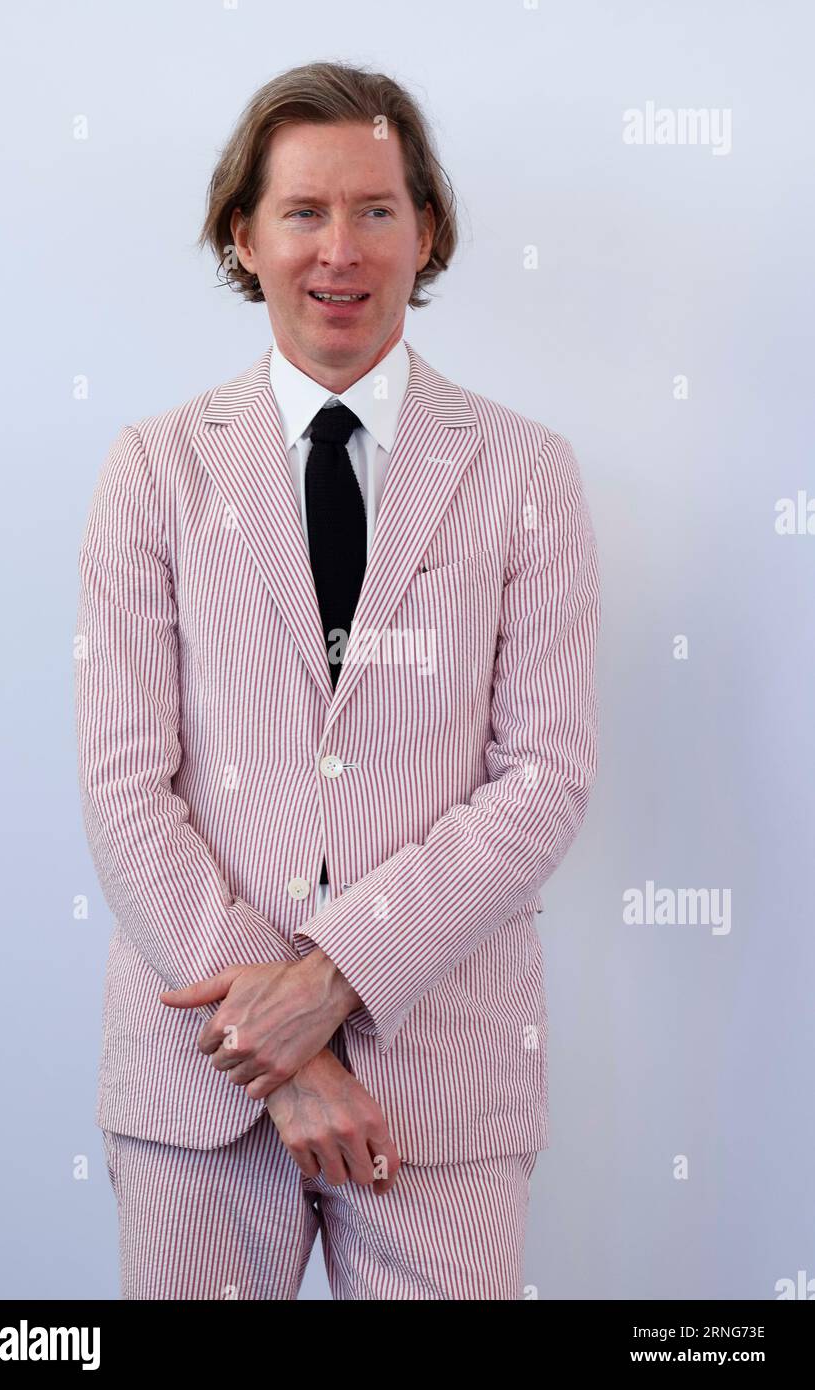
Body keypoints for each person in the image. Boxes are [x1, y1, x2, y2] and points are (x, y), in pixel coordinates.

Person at [75, 59, 601, 1301]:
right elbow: (122, 784)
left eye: (375, 209)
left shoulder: (526, 472)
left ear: (426, 230)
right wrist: (283, 1047)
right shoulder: (152, 469)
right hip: (197, 1084)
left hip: (440, 1092)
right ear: (241, 236)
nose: (341, 251)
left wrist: (330, 982)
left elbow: (543, 780)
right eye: (303, 212)